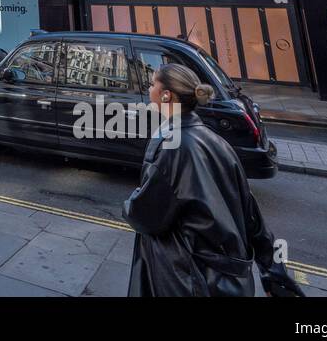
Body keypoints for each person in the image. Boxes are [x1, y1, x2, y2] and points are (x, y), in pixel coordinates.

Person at [123, 63, 301, 297]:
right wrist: (274, 274)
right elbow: (251, 214)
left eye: (152, 84)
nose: (149, 89)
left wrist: (128, 204)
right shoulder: (216, 142)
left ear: (166, 95)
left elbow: (146, 216)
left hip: (188, 279)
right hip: (228, 280)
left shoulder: (172, 147)